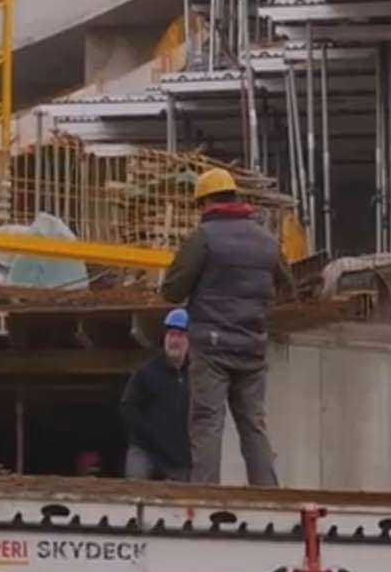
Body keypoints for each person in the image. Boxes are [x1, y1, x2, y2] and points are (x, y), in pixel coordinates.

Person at [161, 167, 294, 486]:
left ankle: (205, 497)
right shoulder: (267, 240)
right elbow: (289, 287)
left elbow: (173, 290)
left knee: (208, 423)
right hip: (253, 346)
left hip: (212, 347)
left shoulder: (203, 238)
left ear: (205, 202)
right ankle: (267, 493)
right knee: (253, 424)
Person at [120, 308, 193, 481]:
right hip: (146, 450)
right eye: (170, 335)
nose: (174, 340)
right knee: (136, 493)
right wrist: (151, 435)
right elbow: (128, 408)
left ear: (190, 340)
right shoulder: (146, 372)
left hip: (179, 457)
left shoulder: (197, 375)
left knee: (185, 502)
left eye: (180, 335)